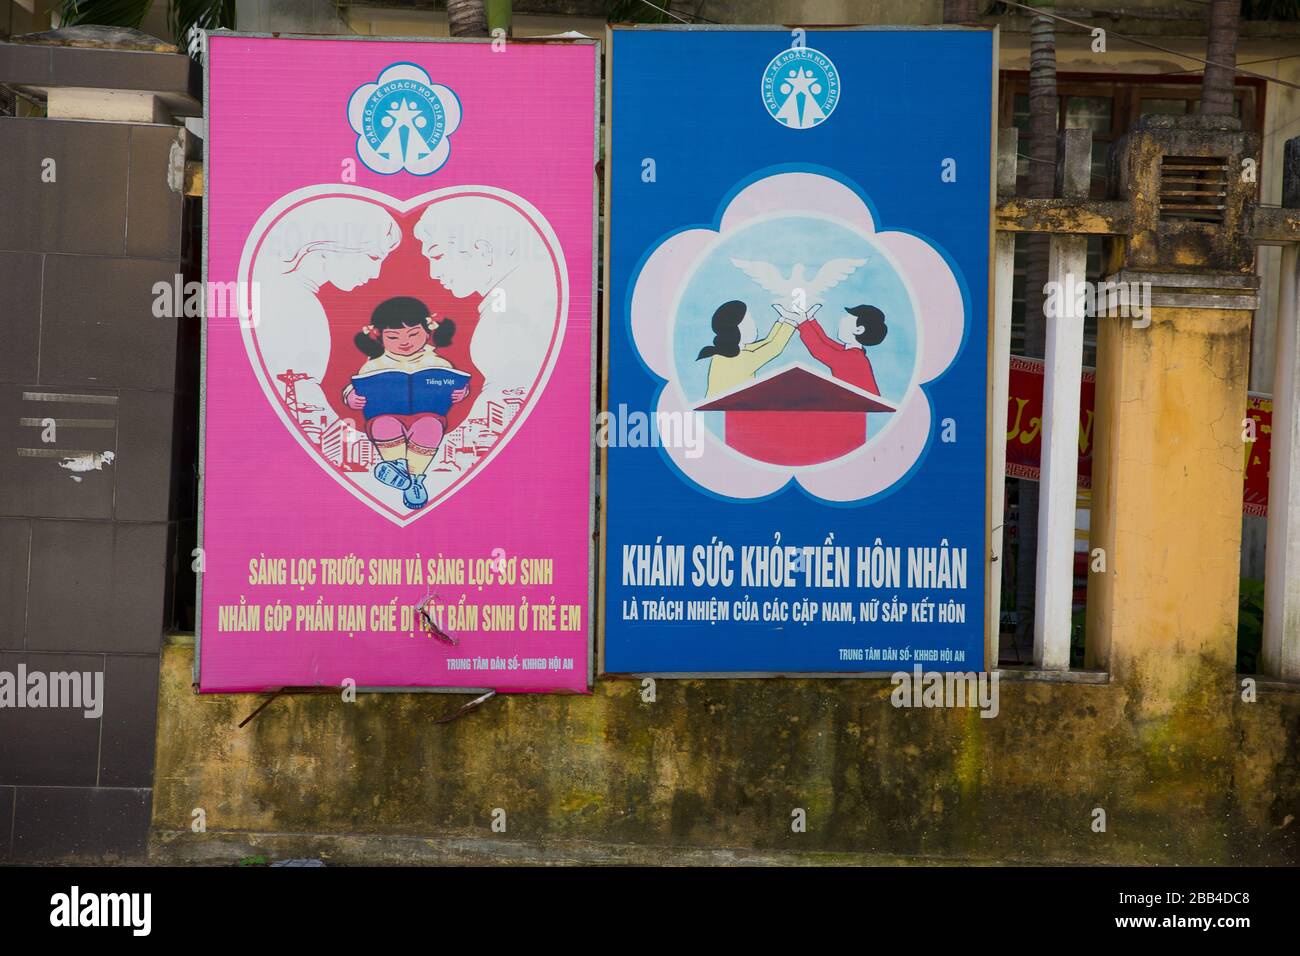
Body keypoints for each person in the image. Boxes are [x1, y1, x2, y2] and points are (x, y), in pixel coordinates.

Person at [253, 199, 401, 423]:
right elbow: (302, 404)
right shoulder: (293, 301)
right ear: (335, 244)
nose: (375, 274)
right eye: (373, 257)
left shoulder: (291, 294)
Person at [413, 197, 554, 425]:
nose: (433, 273)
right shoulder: (520, 292)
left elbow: (503, 405)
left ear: (483, 250)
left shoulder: (518, 306)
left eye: (438, 256)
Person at [344, 296, 469, 510]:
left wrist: (462, 392)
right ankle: (399, 470)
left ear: (428, 332)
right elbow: (357, 385)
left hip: (427, 415)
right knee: (385, 425)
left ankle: (413, 477)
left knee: (430, 426)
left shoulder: (438, 362)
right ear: (379, 337)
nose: (404, 342)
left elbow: (451, 382)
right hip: (384, 415)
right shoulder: (374, 364)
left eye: (413, 334)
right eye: (393, 337)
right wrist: (350, 397)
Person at [697, 300, 797, 398]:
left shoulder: (727, 352)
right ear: (736, 329)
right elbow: (774, 348)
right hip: (728, 407)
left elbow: (766, 342)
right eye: (749, 321)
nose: (754, 325)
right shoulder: (741, 359)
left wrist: (783, 319)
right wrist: (791, 323)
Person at [794, 304, 886, 395]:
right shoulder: (849, 352)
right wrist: (810, 320)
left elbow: (820, 350)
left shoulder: (853, 358)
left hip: (857, 405)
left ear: (859, 330)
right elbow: (826, 341)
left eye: (847, 320)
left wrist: (803, 323)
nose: (842, 321)